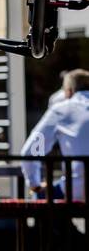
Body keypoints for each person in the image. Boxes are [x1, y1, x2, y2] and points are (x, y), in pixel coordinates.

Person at [20, 69, 89, 201]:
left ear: (68, 91)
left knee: (40, 195)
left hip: (76, 191)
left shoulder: (62, 109)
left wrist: (35, 185)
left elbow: (31, 151)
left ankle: (61, 223)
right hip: (77, 189)